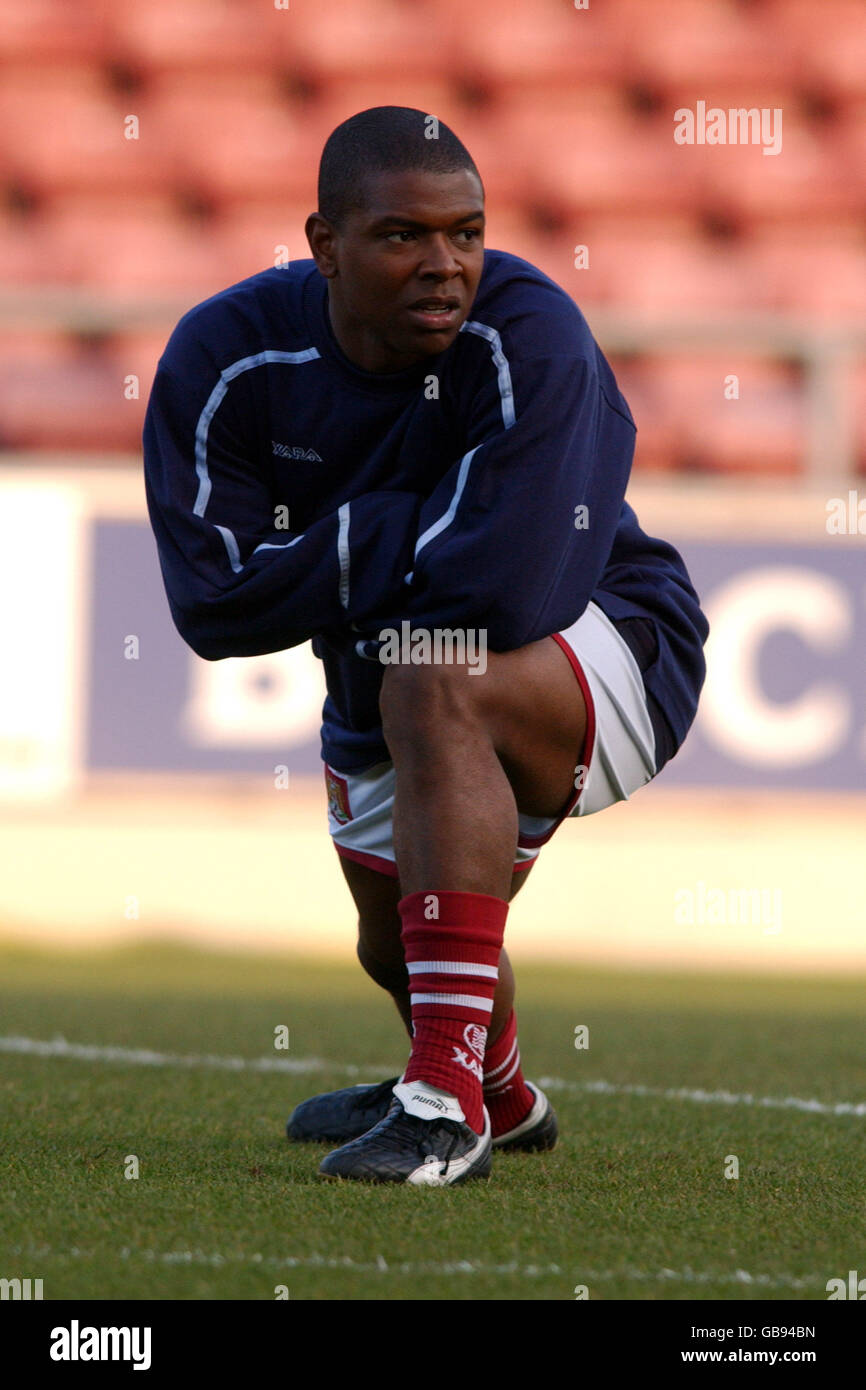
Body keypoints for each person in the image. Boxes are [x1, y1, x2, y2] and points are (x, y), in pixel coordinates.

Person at [143, 106, 708, 1186]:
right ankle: (498, 1087)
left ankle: (440, 1105)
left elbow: (511, 587)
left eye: (466, 231)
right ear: (323, 246)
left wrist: (330, 546)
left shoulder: (528, 329)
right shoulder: (227, 358)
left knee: (438, 668)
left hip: (614, 636)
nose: (443, 265)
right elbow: (212, 606)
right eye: (403, 235)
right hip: (379, 664)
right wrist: (410, 519)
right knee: (389, 941)